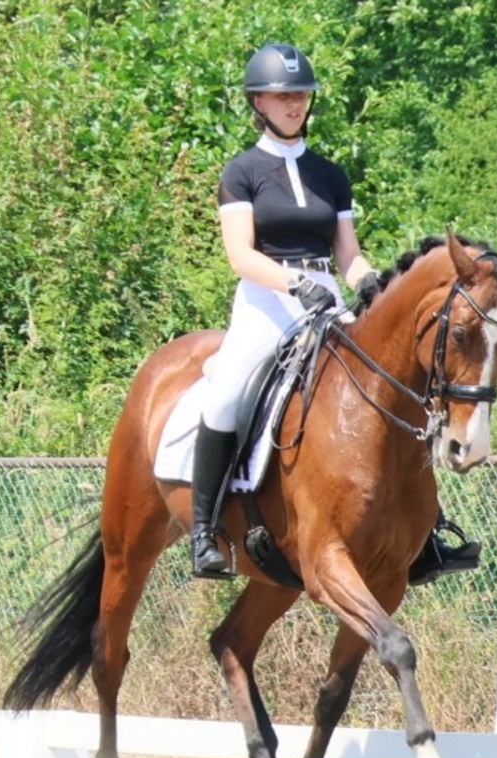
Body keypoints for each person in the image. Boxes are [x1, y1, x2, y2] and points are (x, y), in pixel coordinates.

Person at [190, 43, 480, 584]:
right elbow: (240, 253)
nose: (294, 103)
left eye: (300, 94)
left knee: (390, 384)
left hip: (326, 292)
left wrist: (366, 279)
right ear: (259, 102)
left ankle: (429, 532)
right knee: (227, 391)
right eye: (282, 96)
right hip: (266, 296)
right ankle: (204, 532)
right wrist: (295, 282)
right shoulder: (242, 171)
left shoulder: (329, 174)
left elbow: (346, 250)